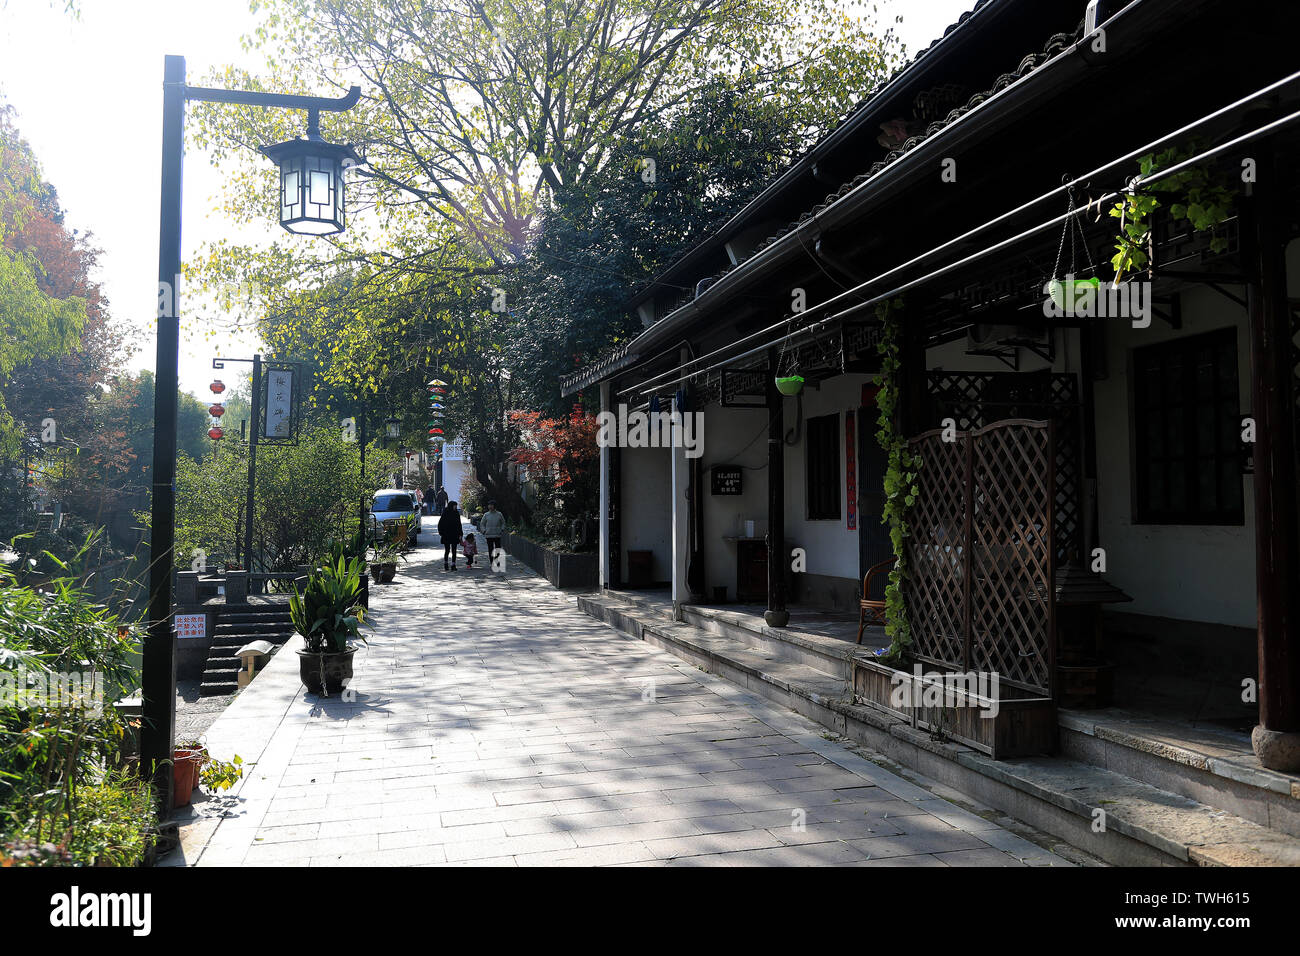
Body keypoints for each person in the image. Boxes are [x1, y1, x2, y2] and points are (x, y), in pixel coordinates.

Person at [437, 501, 463, 571]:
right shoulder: (445, 513)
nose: (455, 507)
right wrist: (441, 532)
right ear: (451, 506)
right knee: (447, 550)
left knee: (454, 550)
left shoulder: (456, 513)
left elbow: (459, 524)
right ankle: (446, 564)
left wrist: (460, 534)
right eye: (454, 506)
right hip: (446, 534)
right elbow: (440, 523)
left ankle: (453, 564)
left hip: (455, 534)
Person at [479, 500, 506, 566]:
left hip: (497, 534)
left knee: (497, 549)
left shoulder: (499, 514)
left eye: (491, 505)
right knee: (490, 549)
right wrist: (484, 530)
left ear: (494, 506)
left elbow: (503, 523)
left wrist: (502, 529)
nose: (490, 506)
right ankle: (492, 562)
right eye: (489, 505)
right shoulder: (486, 515)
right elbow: (482, 524)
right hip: (489, 535)